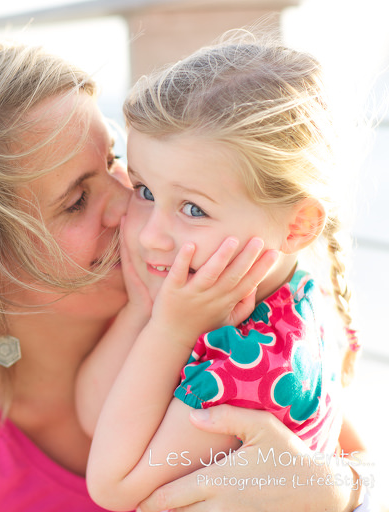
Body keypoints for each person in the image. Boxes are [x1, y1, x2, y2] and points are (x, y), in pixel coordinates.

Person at [0, 32, 372, 511]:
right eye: (77, 200)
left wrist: (341, 491)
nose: (131, 208)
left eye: (115, 159)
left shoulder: (213, 303)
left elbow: (351, 456)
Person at [79, 36, 368, 511]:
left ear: (296, 226)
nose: (151, 236)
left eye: (193, 208)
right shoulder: (289, 293)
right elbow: (94, 414)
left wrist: (170, 330)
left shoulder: (248, 370)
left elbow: (113, 485)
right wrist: (144, 310)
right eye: (145, 191)